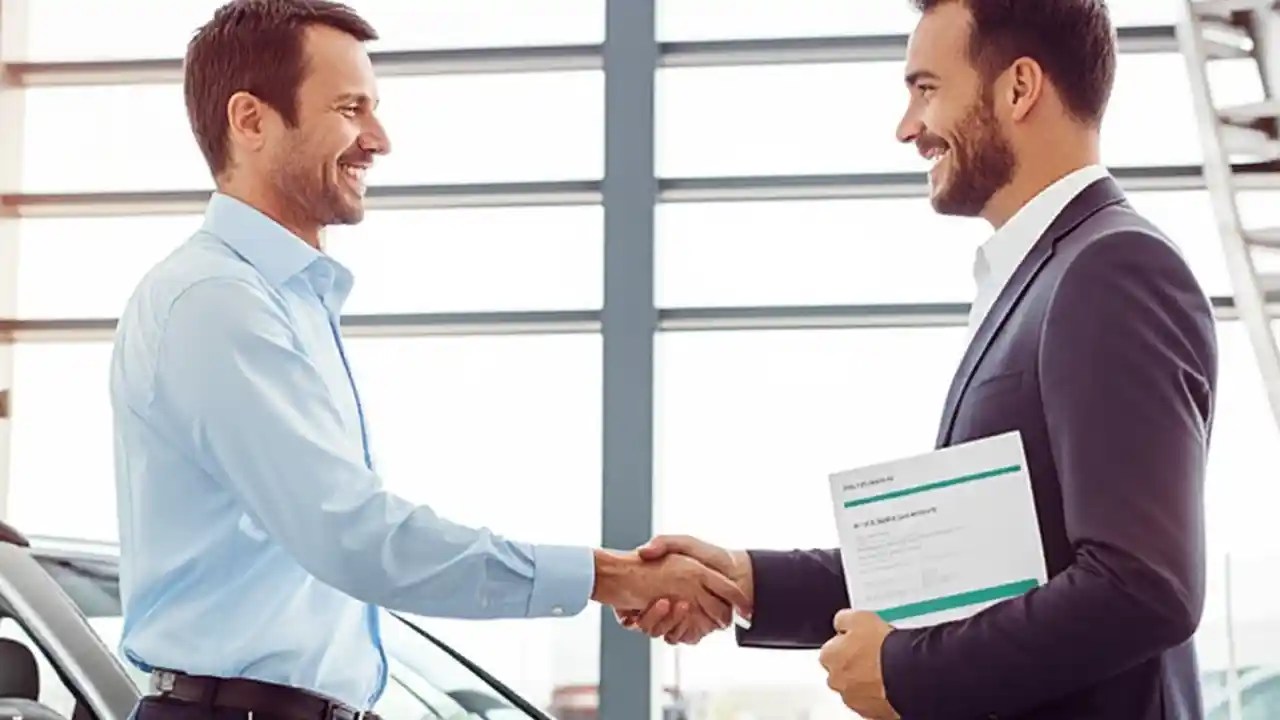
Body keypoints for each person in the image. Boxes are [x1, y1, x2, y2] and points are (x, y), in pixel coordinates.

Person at [108, 2, 746, 720]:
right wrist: (607, 576)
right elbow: (356, 537)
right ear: (251, 121)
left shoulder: (282, 301)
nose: (377, 139)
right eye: (351, 109)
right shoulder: (216, 304)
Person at [622, 1, 1217, 719]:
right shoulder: (1047, 277)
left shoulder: (1112, 268)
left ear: (1019, 88)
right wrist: (747, 581)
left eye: (926, 89)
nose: (907, 126)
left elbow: (1144, 585)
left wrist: (906, 671)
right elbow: (978, 572)